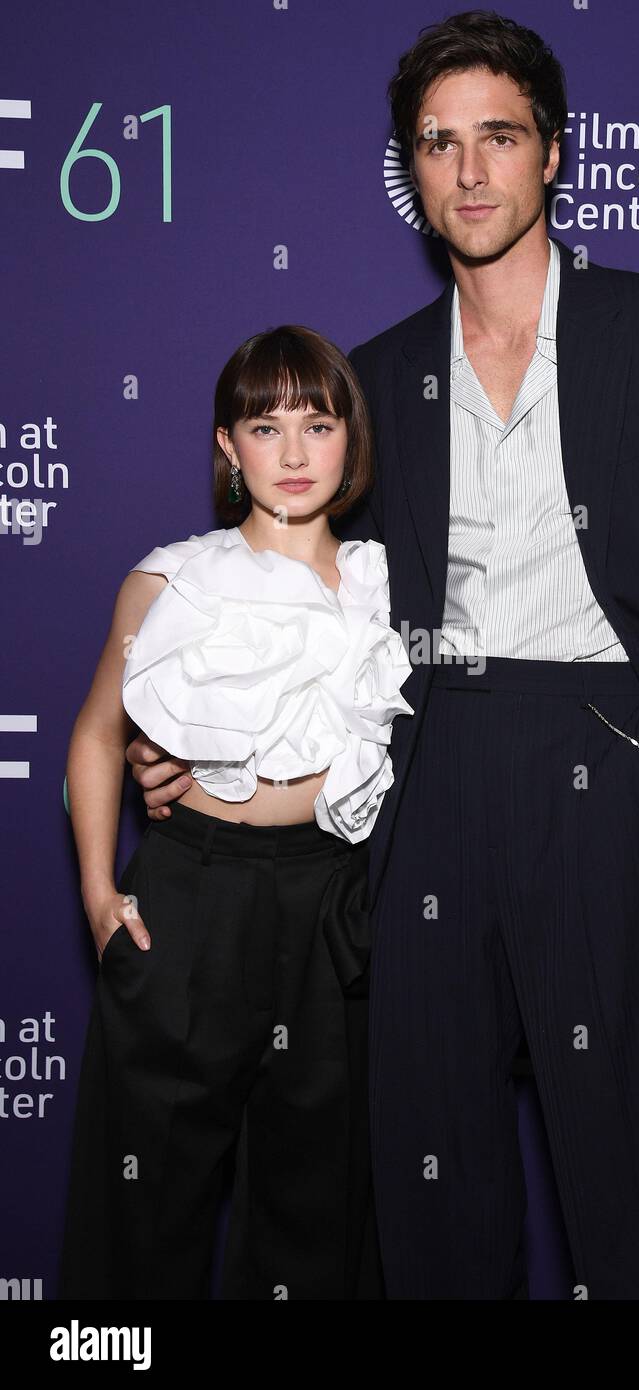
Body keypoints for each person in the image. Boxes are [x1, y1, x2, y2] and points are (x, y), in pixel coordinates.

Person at [126, 12, 639, 1300]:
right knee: (435, 1202)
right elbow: (303, 589)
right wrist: (199, 739)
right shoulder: (378, 380)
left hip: (614, 764)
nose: (465, 173)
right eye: (437, 145)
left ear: (552, 155)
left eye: (495, 138)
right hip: (432, 786)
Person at [59, 324, 413, 1300]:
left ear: (351, 439)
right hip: (194, 891)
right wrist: (98, 891)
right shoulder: (172, 576)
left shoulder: (389, 585)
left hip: (332, 903)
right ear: (227, 445)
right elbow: (95, 734)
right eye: (265, 426)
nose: (293, 453)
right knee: (144, 1195)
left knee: (316, 1203)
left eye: (317, 422)